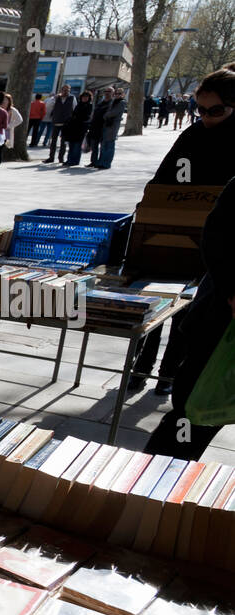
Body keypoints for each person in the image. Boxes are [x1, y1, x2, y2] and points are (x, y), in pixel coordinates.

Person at [131, 67, 235, 394]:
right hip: (173, 234)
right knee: (159, 299)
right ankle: (141, 367)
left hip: (218, 244)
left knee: (188, 310)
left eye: (215, 110)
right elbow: (165, 177)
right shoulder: (192, 135)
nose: (206, 117)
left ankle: (168, 373)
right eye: (200, 109)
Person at [143, 173, 235, 460]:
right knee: (192, 410)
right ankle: (151, 485)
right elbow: (218, 236)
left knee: (214, 407)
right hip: (222, 315)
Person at [94, 88, 126, 169]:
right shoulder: (114, 101)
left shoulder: (121, 102)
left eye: (119, 93)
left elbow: (113, 113)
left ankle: (106, 163)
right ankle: (101, 162)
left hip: (113, 126)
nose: (117, 95)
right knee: (104, 145)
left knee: (109, 145)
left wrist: (105, 115)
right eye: (116, 93)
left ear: (122, 94)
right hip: (106, 125)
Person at [62, 91, 94, 167]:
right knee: (71, 144)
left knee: (77, 145)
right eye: (83, 96)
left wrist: (76, 118)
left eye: (86, 97)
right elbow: (74, 114)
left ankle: (74, 161)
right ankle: (69, 159)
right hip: (73, 127)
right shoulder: (79, 105)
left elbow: (86, 116)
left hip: (81, 128)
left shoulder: (89, 106)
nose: (85, 98)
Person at [45, 84, 75, 162]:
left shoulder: (72, 98)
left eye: (68, 90)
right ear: (61, 90)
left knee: (63, 142)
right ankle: (51, 157)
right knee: (53, 141)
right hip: (56, 121)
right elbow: (48, 106)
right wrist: (53, 98)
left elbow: (74, 108)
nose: (66, 92)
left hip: (66, 123)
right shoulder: (56, 98)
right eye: (64, 90)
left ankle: (61, 158)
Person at [85, 90, 109, 166]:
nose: (107, 93)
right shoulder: (100, 103)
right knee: (94, 146)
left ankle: (101, 162)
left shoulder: (112, 103)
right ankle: (93, 161)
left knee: (103, 147)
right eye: (106, 91)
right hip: (95, 127)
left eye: (109, 91)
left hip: (104, 128)